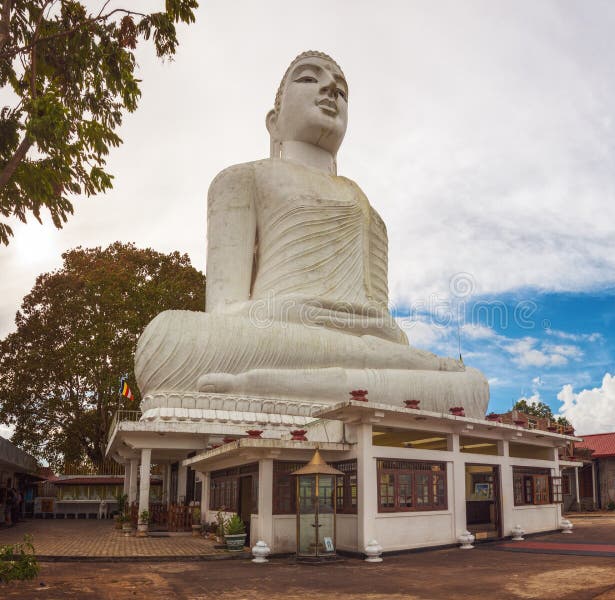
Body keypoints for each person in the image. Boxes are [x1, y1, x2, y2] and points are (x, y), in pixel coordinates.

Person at [135, 51, 488, 416]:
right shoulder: (242, 179)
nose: (329, 89)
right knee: (166, 339)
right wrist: (293, 312)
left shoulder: (370, 211)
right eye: (309, 78)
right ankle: (363, 383)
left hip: (367, 347)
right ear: (274, 121)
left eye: (341, 91)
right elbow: (224, 311)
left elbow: (384, 325)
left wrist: (379, 342)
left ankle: (268, 385)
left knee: (472, 384)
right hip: (278, 335)